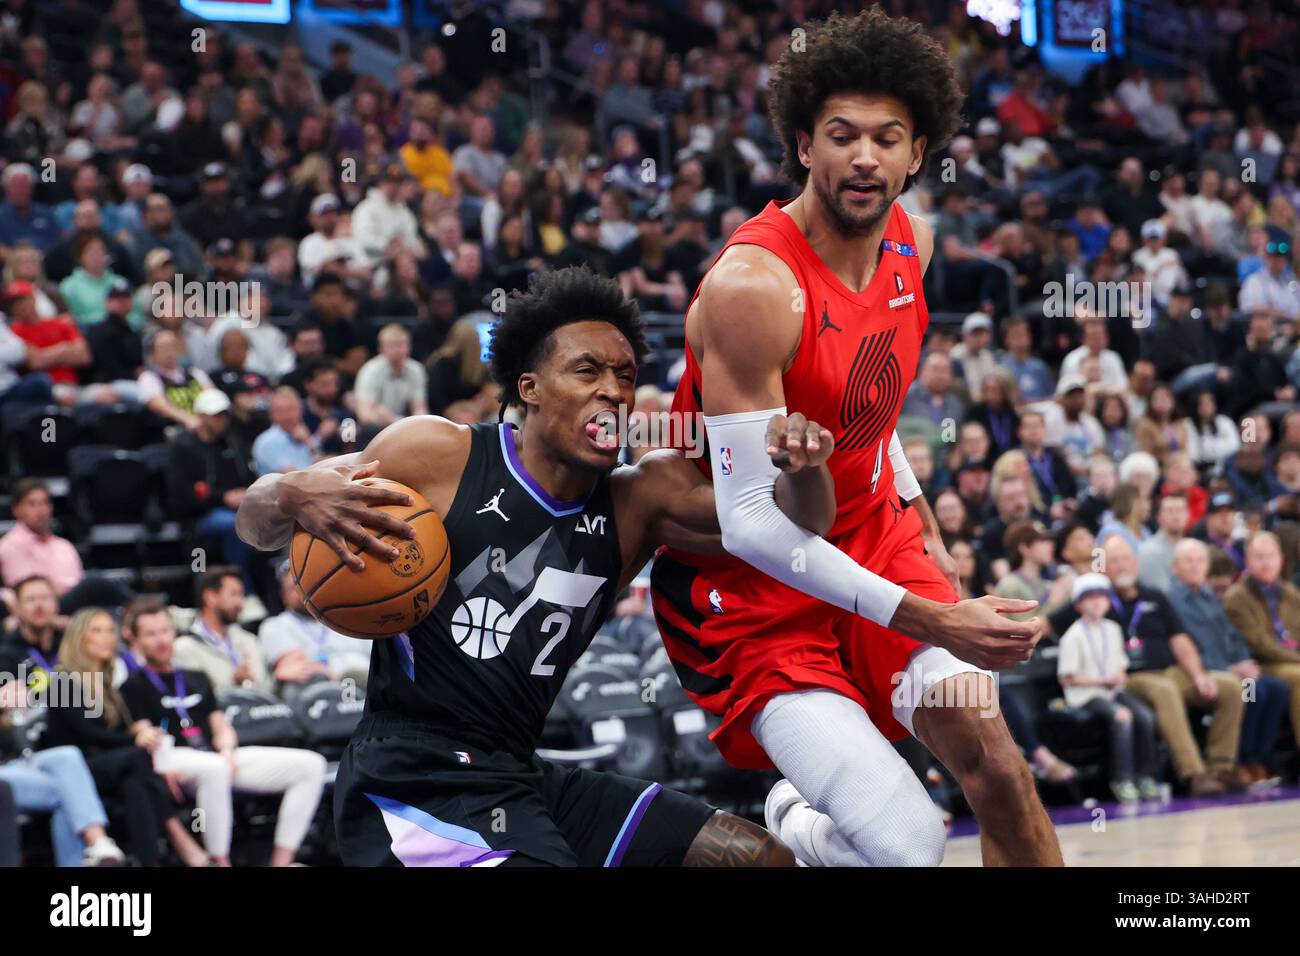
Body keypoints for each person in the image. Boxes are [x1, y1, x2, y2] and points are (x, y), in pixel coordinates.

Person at [235, 266, 829, 867]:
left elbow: (793, 526)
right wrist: (289, 494)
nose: (614, 391)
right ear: (530, 388)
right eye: (587, 370)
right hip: (413, 777)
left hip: (516, 770)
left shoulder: (640, 502)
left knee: (753, 857)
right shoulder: (438, 454)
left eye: (624, 376)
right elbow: (255, 523)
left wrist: (806, 465)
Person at [651, 9, 1059, 867]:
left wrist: (923, 523)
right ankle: (798, 825)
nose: (864, 156)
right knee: (911, 850)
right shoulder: (753, 287)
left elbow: (872, 412)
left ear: (918, 153)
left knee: (999, 772)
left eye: (887, 138)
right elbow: (755, 523)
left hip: (873, 536)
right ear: (804, 146)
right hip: (750, 588)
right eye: (842, 136)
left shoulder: (914, 240)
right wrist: (937, 619)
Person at [120, 597, 326, 867]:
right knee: (214, 767)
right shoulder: (132, 686)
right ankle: (220, 861)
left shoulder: (196, 677)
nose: (161, 640)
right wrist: (160, 763)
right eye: (150, 634)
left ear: (173, 632)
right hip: (175, 758)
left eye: (164, 631)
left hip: (214, 753)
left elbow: (220, 725)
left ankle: (281, 862)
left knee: (310, 765)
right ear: (135, 641)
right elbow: (142, 732)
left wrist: (228, 750)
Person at [1050, 536, 1245, 797]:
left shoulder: (1155, 596)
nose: (1122, 566)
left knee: (1231, 687)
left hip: (1170, 670)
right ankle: (1194, 773)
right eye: (1114, 560)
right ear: (1103, 566)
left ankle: (1221, 768)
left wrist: (1198, 675)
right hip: (1128, 678)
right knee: (1164, 689)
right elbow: (1048, 623)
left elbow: (1180, 639)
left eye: (1126, 559)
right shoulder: (1094, 598)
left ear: (1136, 562)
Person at [44, 608, 212, 866]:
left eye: (110, 630)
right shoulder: (62, 681)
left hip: (111, 766)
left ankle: (150, 862)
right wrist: (134, 740)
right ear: (79, 638)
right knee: (137, 757)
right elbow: (87, 734)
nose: (107, 638)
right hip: (73, 770)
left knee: (134, 785)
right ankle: (178, 836)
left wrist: (142, 734)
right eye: (96, 631)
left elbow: (120, 730)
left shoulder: (108, 682)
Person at [1172, 539, 1287, 785]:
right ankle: (1240, 760)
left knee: (1275, 689)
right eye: (1188, 561)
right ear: (1175, 567)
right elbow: (1184, 648)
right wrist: (1230, 669)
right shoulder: (1172, 601)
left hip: (1232, 667)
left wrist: (1245, 660)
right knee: (1253, 693)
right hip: (1205, 672)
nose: (1194, 567)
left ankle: (1259, 758)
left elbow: (1233, 635)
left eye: (1200, 561)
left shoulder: (1208, 596)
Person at [1057, 573, 1160, 803]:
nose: (1097, 602)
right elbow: (1068, 678)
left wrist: (1118, 676)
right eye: (1090, 598)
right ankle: (1122, 779)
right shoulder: (1073, 636)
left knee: (1145, 716)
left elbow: (1121, 664)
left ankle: (1145, 775)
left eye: (1102, 597)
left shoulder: (1112, 628)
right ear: (1079, 604)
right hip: (1087, 694)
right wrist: (1101, 681)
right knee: (1122, 717)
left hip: (1112, 690)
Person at [1223, 532, 1300, 752]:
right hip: (1257, 666)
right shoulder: (1236, 597)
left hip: (1290, 660)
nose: (1266, 563)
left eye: (1270, 556)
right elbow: (1260, 645)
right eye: (1259, 557)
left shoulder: (1290, 592)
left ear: (1281, 559)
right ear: (1247, 562)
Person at [259, 561, 372, 697]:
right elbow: (297, 667)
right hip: (319, 696)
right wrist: (336, 677)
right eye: (293, 588)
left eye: (304, 585)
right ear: (283, 596)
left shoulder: (348, 617)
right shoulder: (276, 626)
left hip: (366, 686)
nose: (301, 592)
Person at [174, 567, 273, 695]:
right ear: (210, 597)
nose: (240, 602)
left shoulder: (250, 641)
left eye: (242, 594)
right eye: (234, 594)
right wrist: (233, 684)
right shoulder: (184, 648)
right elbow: (196, 701)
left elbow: (268, 691)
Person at [354, 324, 429, 427]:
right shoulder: (370, 371)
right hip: (377, 427)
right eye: (392, 346)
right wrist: (391, 420)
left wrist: (403, 422)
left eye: (401, 345)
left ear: (409, 347)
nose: (398, 350)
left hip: (403, 424)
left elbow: (420, 409)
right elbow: (365, 415)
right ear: (381, 349)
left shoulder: (416, 370)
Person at [1136, 492, 1190, 593]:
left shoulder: (1193, 548)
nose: (1176, 516)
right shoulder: (1148, 551)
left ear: (1188, 514)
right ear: (1159, 517)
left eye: (1180, 510)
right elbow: (1160, 591)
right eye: (1170, 511)